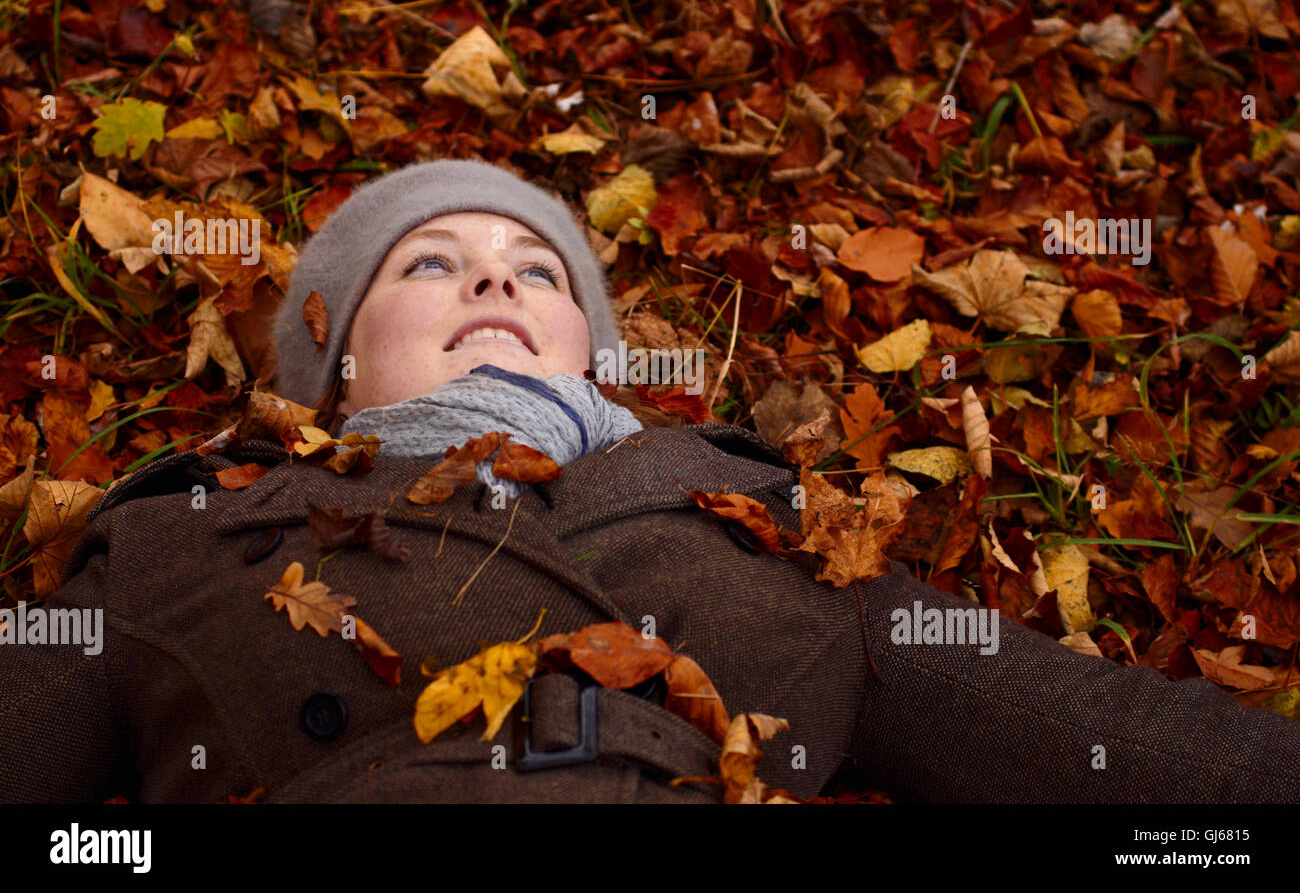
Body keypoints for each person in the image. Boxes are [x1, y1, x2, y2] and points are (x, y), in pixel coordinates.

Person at [3, 159, 1300, 803]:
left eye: (540, 268)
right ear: (333, 368)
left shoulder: (773, 532)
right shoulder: (189, 536)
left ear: (589, 341)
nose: (500, 281)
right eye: (432, 264)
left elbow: (1119, 745)